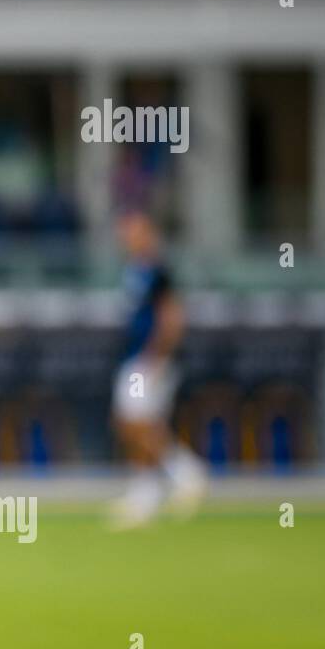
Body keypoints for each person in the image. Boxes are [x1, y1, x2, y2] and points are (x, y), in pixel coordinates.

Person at [109, 210, 208, 529]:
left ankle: (183, 473)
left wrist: (157, 356)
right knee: (131, 423)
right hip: (135, 357)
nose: (127, 237)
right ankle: (149, 489)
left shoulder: (158, 271)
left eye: (134, 231)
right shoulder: (133, 270)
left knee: (137, 422)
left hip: (147, 360)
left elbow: (170, 316)